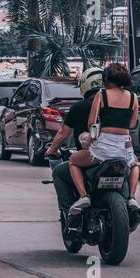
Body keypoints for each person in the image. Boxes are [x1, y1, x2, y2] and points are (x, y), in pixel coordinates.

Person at [68, 62, 140, 216]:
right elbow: (133, 123)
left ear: (106, 79)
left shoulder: (102, 95)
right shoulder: (133, 97)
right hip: (124, 146)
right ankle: (132, 198)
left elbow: (91, 122)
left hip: (104, 147)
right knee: (134, 165)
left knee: (73, 161)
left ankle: (83, 196)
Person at [43, 67, 103, 214]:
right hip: (118, 153)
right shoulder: (115, 104)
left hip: (91, 156)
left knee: (58, 172)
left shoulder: (79, 107)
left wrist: (52, 150)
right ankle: (130, 201)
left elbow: (63, 133)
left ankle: (70, 212)